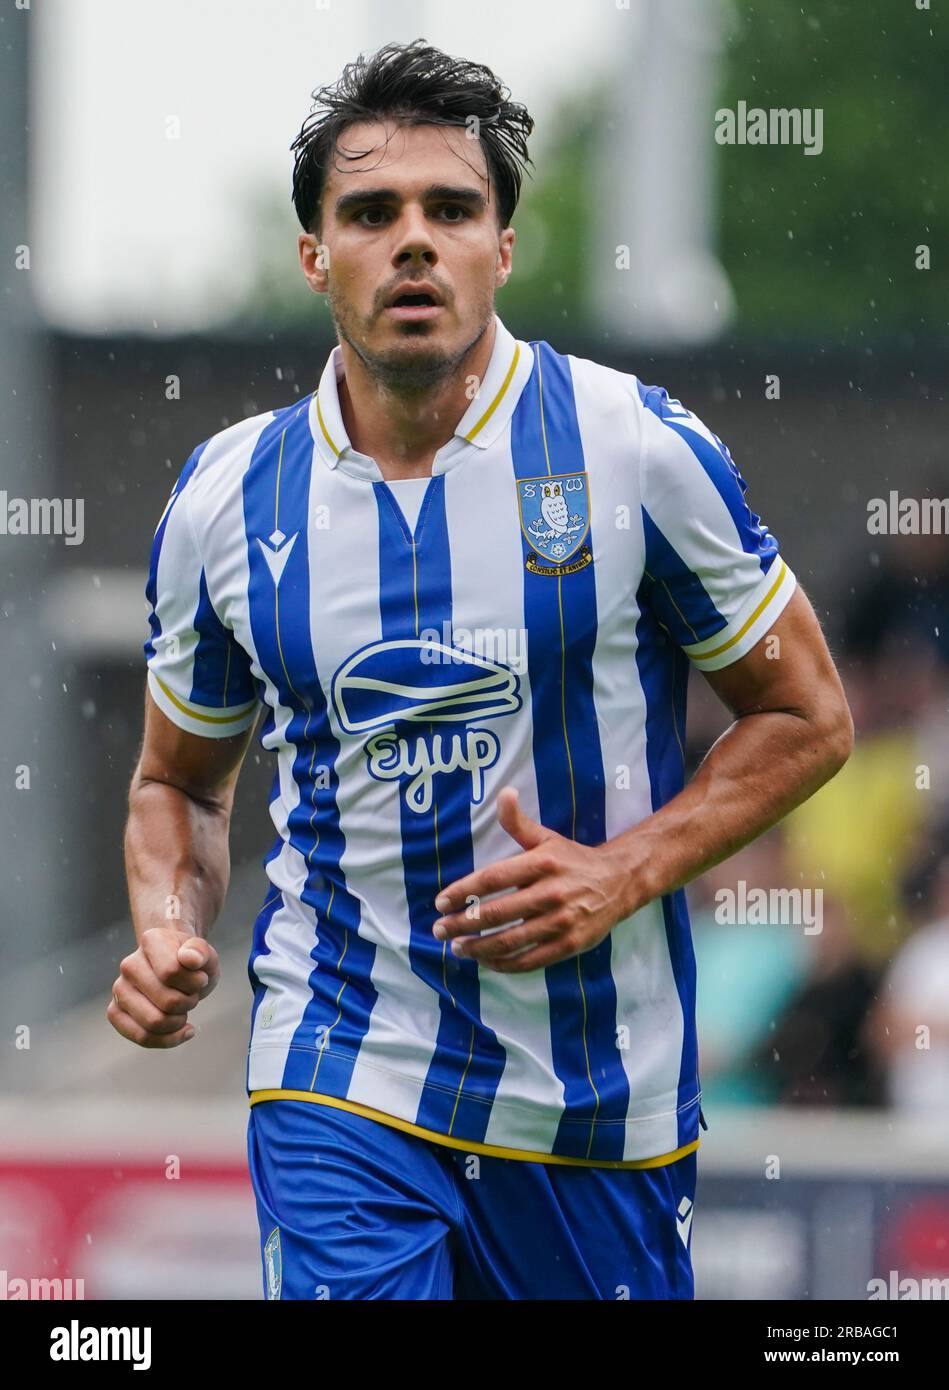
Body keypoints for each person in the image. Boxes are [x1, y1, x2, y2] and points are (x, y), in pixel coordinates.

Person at [108, 39, 853, 1300]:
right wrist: (169, 931)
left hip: (595, 1101)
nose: (415, 242)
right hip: (339, 1063)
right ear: (314, 256)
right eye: (371, 213)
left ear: (501, 248)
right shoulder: (225, 499)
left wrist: (624, 870)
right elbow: (177, 784)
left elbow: (809, 714)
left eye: (452, 210)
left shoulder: (636, 451)